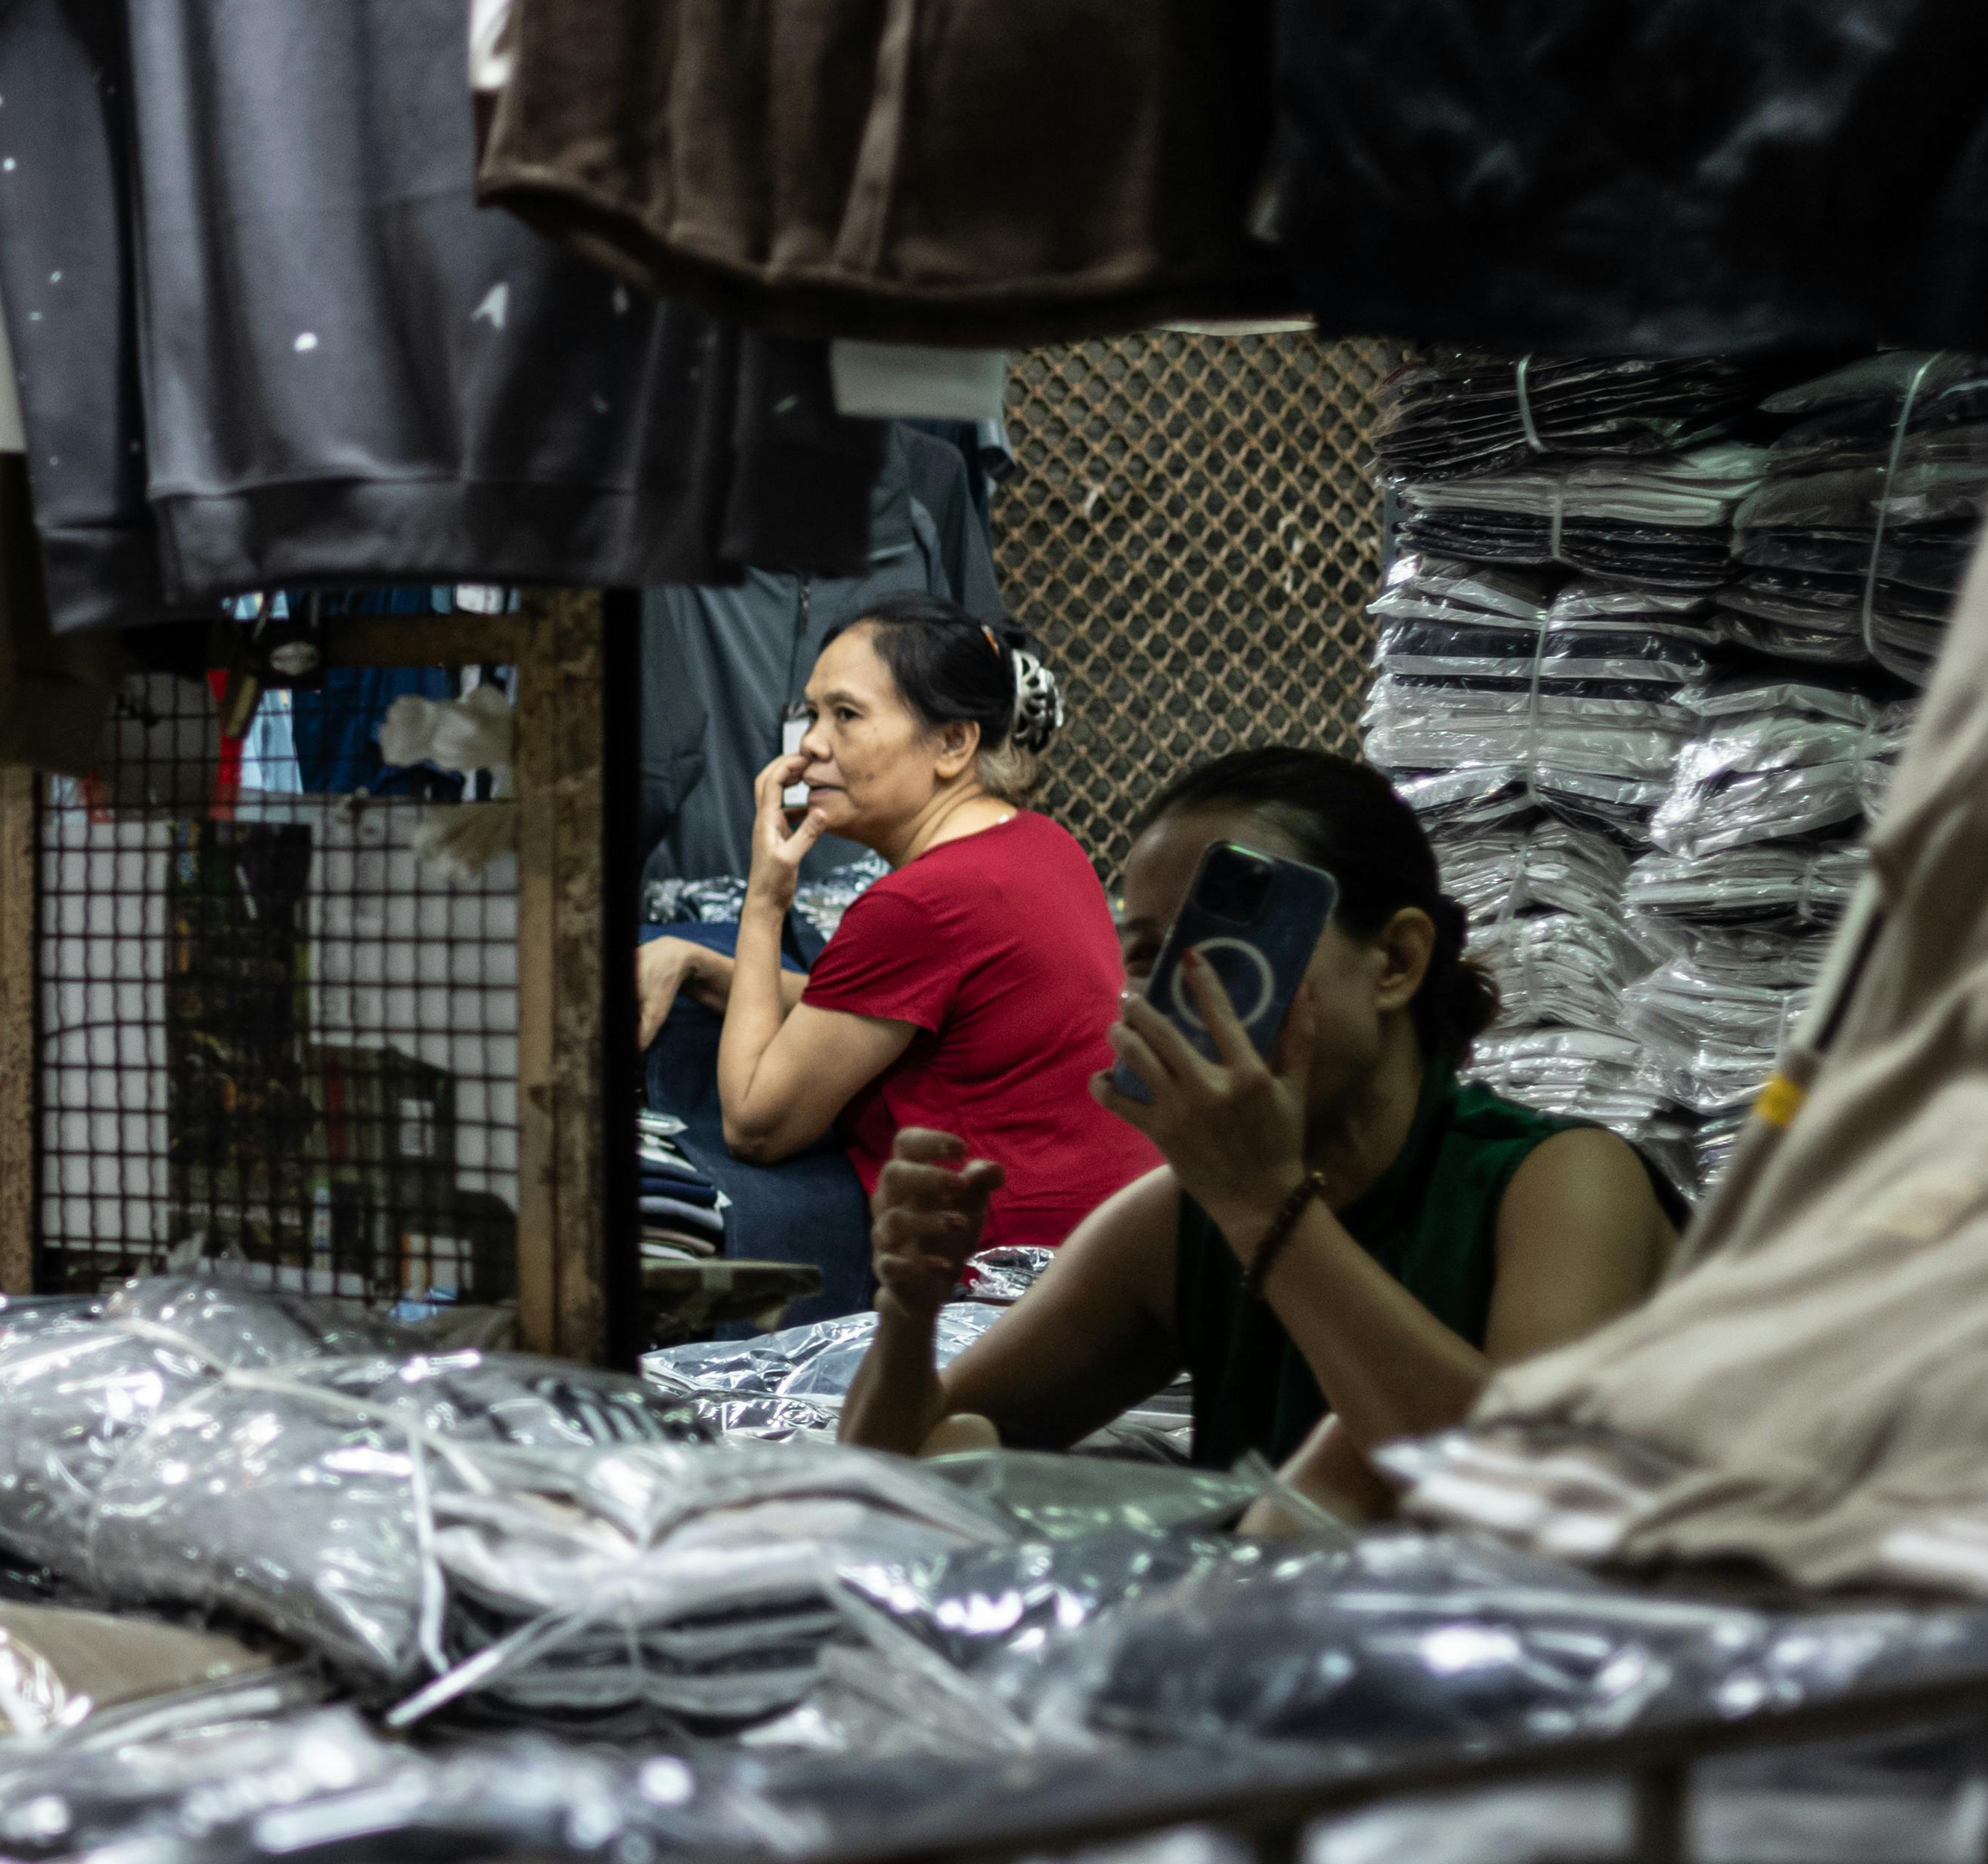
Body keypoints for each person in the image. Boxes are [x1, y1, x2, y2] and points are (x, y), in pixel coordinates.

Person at [837, 746, 1680, 1514]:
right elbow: (895, 1474)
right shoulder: (1174, 1223)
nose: (1190, 988)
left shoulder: (1555, 1180)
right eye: (1146, 955)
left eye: (1231, 939)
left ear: (1393, 962)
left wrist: (1263, 1205)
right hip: (1303, 1648)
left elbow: (1533, 1500)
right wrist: (907, 1308)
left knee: (1337, 1476)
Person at [634, 604, 1148, 1249]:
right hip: (1113, 1243)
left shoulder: (923, 903)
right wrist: (697, 964)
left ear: (953, 743)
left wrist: (765, 898)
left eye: (845, 715)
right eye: (813, 714)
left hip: (1012, 1278)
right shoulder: (1042, 843)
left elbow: (756, 1125)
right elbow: (868, 1018)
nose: (811, 743)